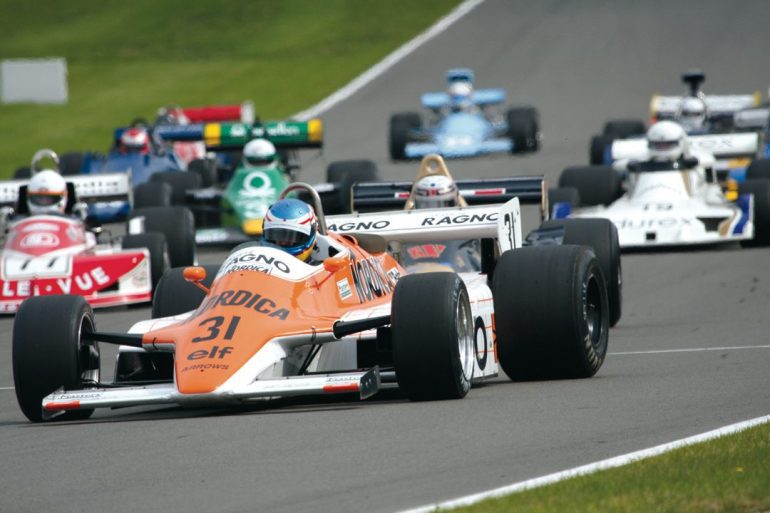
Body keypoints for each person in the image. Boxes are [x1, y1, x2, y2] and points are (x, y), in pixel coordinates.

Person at [261, 198, 318, 263]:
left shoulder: (323, 267)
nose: (282, 242)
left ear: (312, 234)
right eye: (276, 235)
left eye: (292, 237)